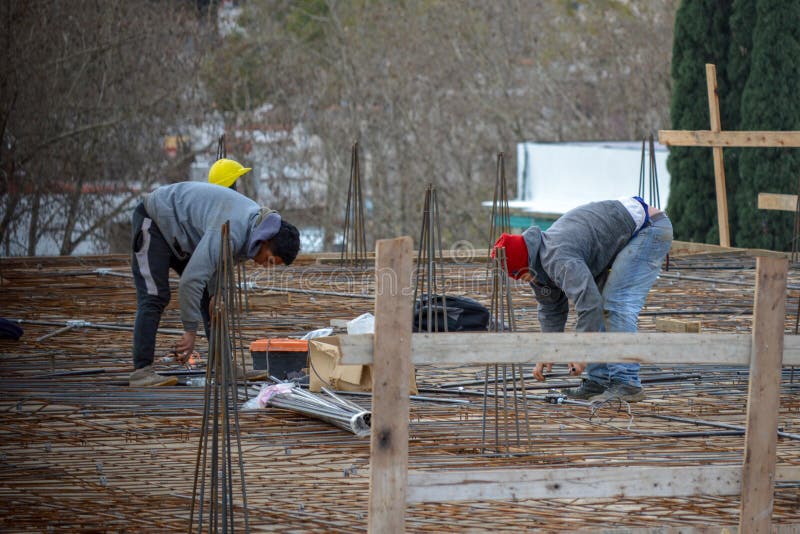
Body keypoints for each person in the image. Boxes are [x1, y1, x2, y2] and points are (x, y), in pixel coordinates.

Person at [493, 196, 672, 402]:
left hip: (648, 229)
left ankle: (627, 382)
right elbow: (551, 309)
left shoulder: (558, 257)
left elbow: (589, 305)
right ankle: (599, 382)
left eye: (520, 275)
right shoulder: (536, 265)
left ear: (524, 263)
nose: (523, 281)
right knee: (601, 301)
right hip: (626, 233)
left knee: (616, 303)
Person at [129, 181, 300, 387]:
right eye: (270, 260)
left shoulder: (254, 230)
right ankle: (141, 372)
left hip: (184, 236)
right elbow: (190, 281)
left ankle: (224, 368)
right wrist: (190, 331)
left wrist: (216, 292)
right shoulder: (234, 230)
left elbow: (220, 263)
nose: (266, 266)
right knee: (154, 296)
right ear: (266, 241)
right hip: (156, 222)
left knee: (213, 301)